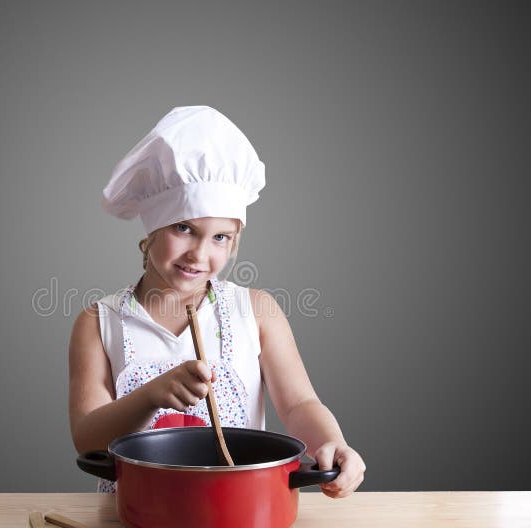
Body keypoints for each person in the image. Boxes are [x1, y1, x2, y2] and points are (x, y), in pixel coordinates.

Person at [68, 106, 365, 496]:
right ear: (153, 227)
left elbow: (298, 405)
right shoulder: (98, 322)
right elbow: (88, 441)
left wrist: (332, 443)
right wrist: (150, 396)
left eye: (220, 237)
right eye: (184, 228)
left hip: (238, 511)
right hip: (131, 519)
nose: (200, 254)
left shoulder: (256, 311)